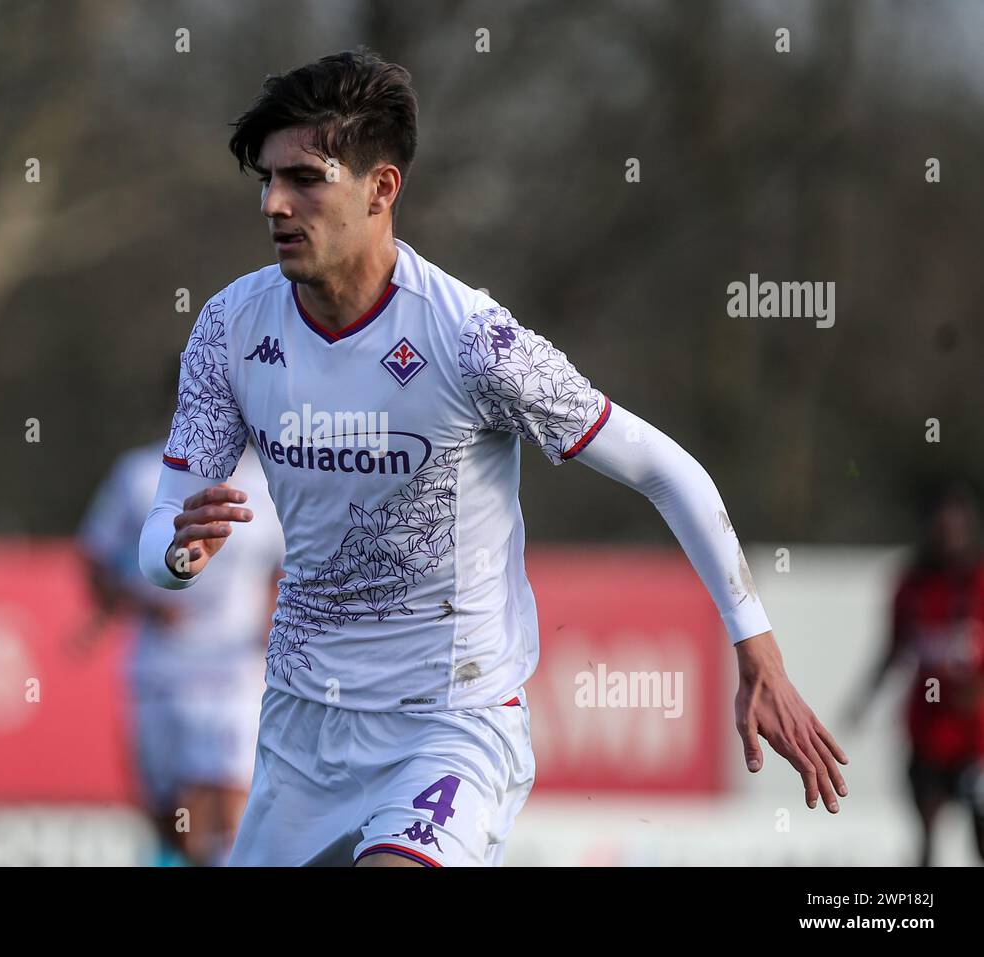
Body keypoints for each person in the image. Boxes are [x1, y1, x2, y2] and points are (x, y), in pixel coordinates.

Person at [139, 48, 848, 867]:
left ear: (380, 189)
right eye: (267, 180)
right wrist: (177, 555)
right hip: (301, 728)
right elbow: (161, 534)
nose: (275, 203)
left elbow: (663, 466)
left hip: (451, 720)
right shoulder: (229, 326)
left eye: (306, 178)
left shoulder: (473, 339)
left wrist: (755, 645)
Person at [77, 439, 283, 866]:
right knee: (174, 821)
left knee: (230, 802)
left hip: (235, 675)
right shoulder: (139, 475)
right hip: (160, 673)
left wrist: (274, 630)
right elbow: (96, 560)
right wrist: (147, 604)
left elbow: (285, 568)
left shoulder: (273, 479)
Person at [848, 480, 984, 865]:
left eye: (955, 526)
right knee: (926, 825)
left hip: (975, 736)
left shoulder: (978, 582)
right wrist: (865, 700)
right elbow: (893, 649)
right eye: (941, 526)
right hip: (926, 731)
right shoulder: (913, 585)